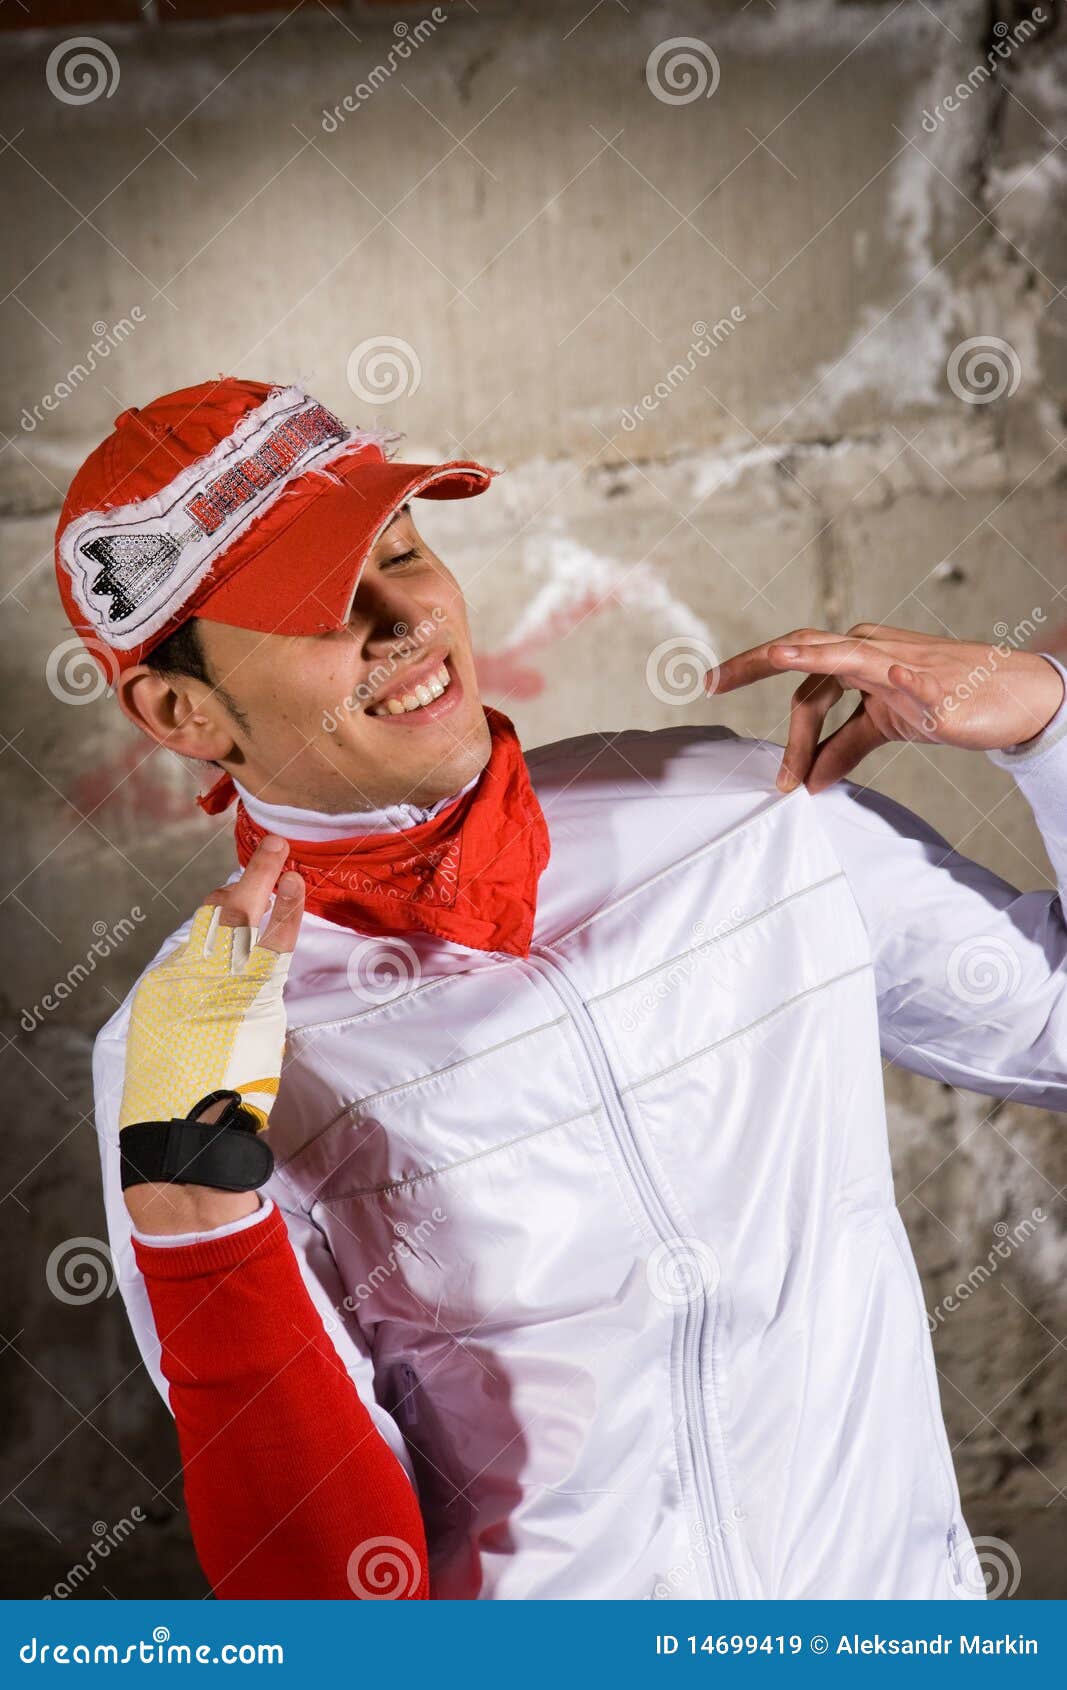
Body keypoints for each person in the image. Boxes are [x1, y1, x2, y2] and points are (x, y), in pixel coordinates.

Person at [60, 378, 1067, 1601]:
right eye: (317, 606)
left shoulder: (749, 812)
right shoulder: (183, 1051)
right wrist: (192, 1214)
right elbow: (334, 1608)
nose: (402, 619)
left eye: (402, 552)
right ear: (181, 710)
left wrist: (1047, 734)